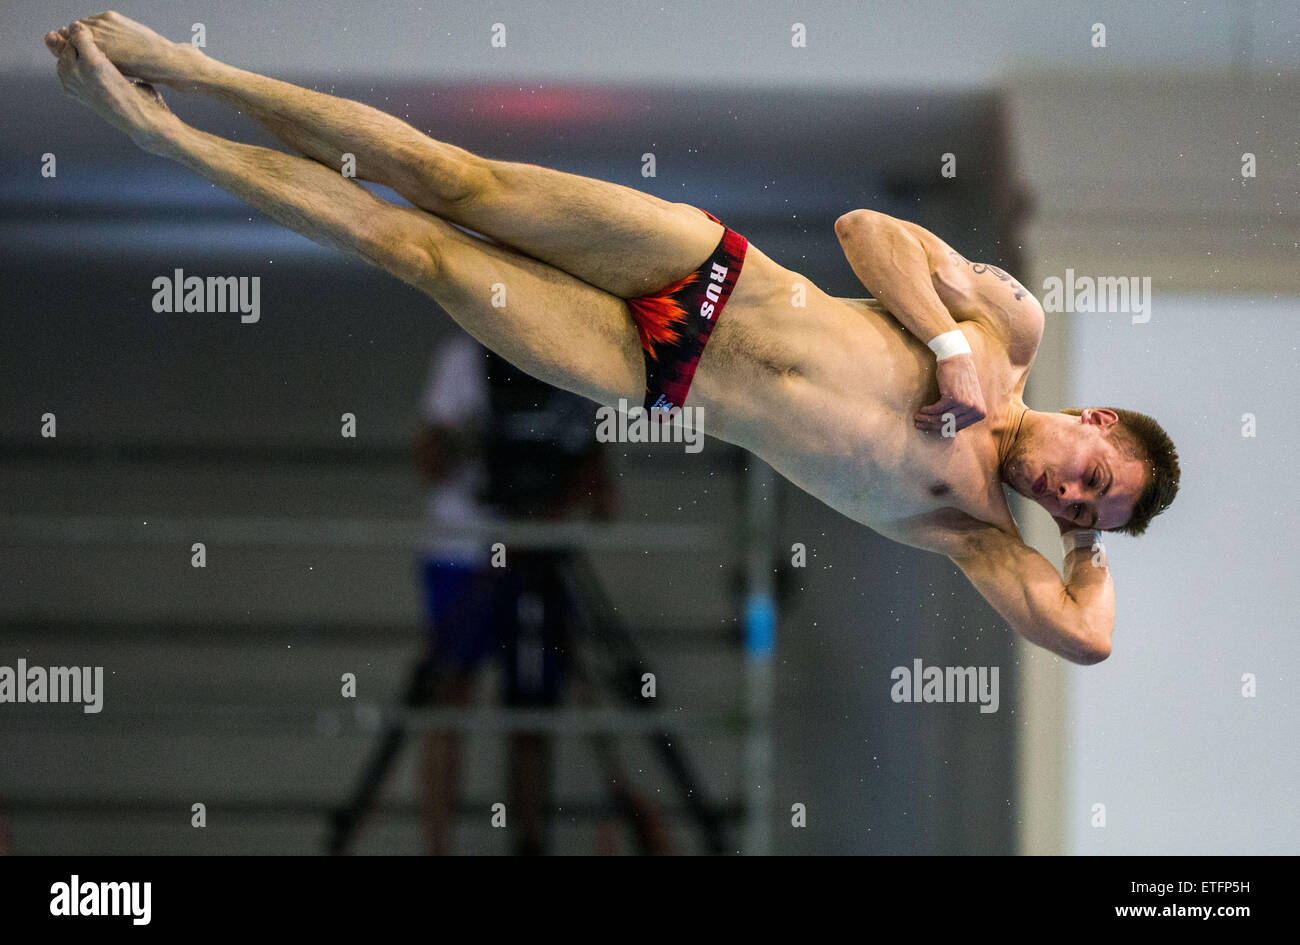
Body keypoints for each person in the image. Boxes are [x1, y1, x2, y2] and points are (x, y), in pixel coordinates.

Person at [47, 14, 1181, 666]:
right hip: (710, 274)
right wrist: (943, 345)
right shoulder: (1006, 328)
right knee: (451, 179)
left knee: (417, 252)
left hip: (654, 372)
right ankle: (193, 68)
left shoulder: (976, 533)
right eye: (1093, 478)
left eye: (1085, 512)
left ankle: (159, 134)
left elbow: (1086, 644)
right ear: (1093, 418)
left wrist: (1092, 552)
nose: (1070, 500)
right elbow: (864, 229)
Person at [413, 334, 609, 855]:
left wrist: (555, 509)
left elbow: (597, 481)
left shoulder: (575, 356)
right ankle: (438, 848)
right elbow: (428, 460)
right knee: (448, 697)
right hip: (462, 549)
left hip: (540, 550)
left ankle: (527, 841)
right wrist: (474, 438)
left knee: (532, 706)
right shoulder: (463, 358)